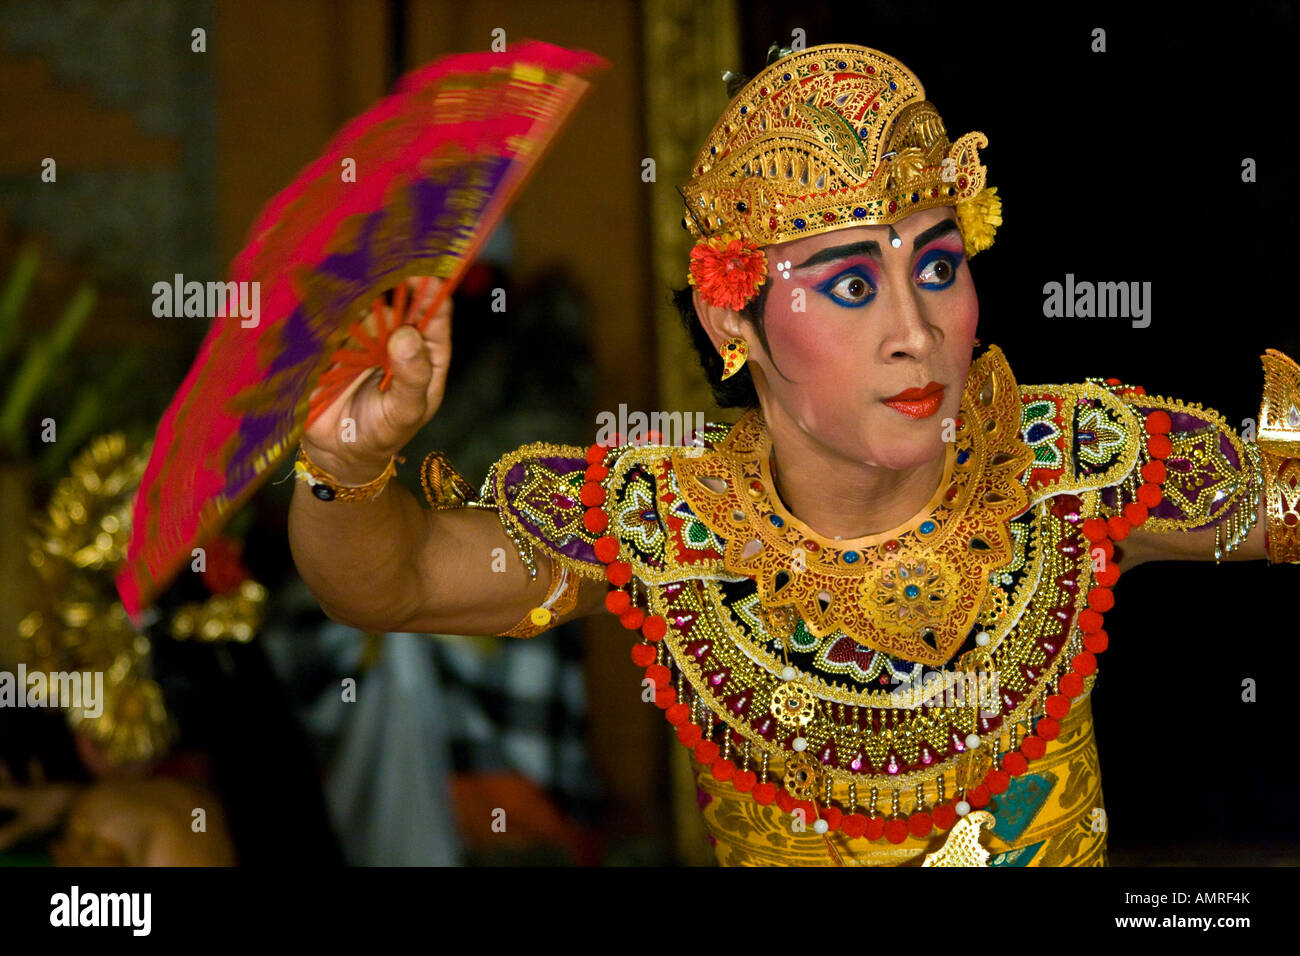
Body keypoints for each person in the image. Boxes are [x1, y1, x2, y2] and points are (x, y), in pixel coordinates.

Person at [288, 42, 1298, 866]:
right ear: (735, 321)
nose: (915, 329)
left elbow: (1284, 497)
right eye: (851, 285)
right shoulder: (664, 524)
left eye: (937, 264)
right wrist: (346, 462)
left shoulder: (1065, 460)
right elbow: (392, 579)